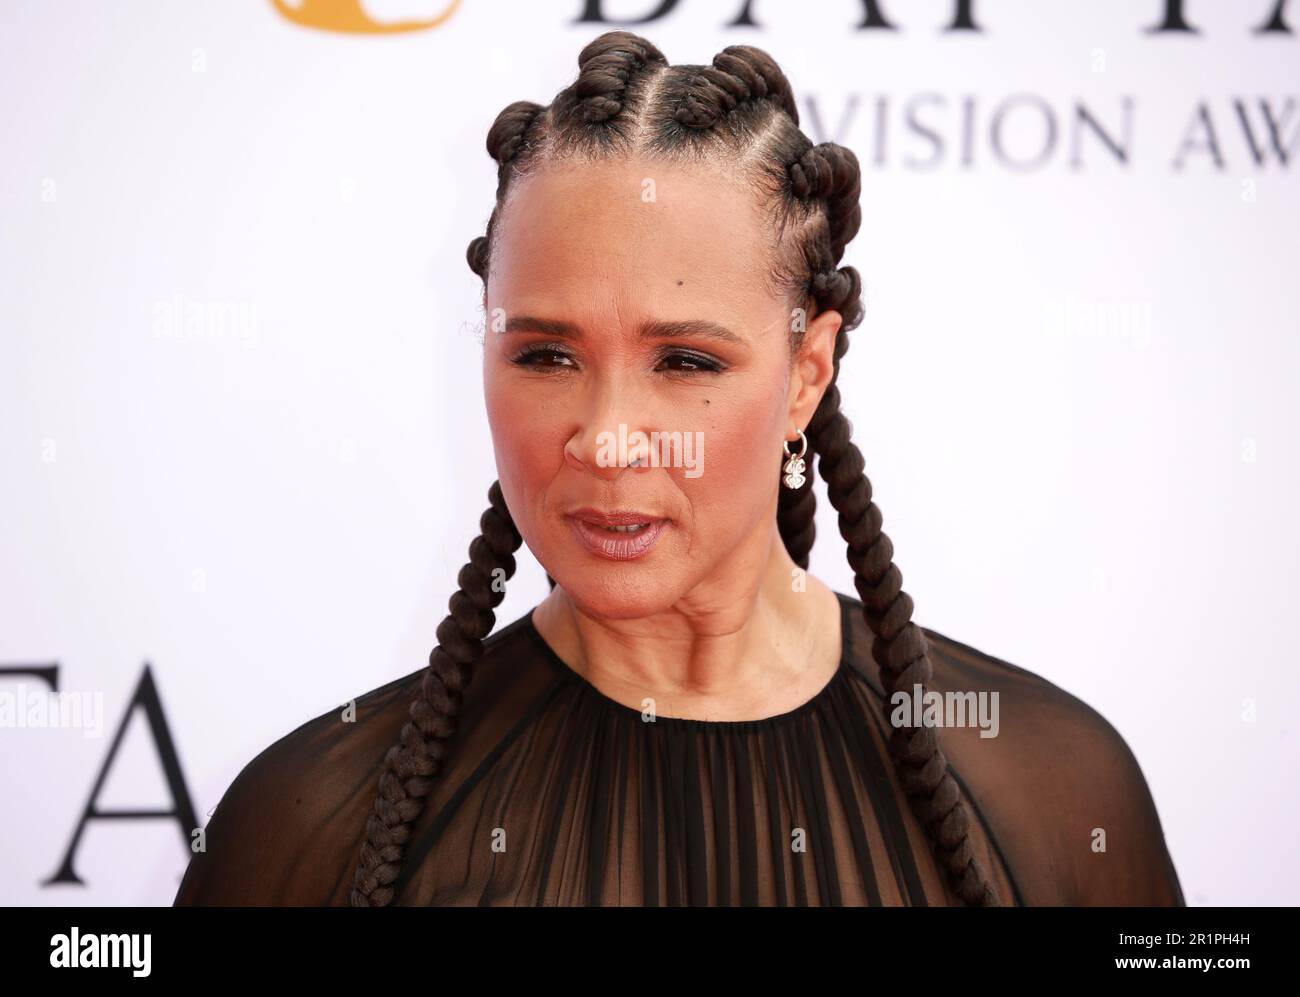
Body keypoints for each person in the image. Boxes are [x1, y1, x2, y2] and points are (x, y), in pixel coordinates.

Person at [173, 30, 1184, 907]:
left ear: (806, 373)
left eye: (685, 361)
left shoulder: (1052, 786)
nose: (607, 438)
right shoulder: (306, 826)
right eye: (545, 355)